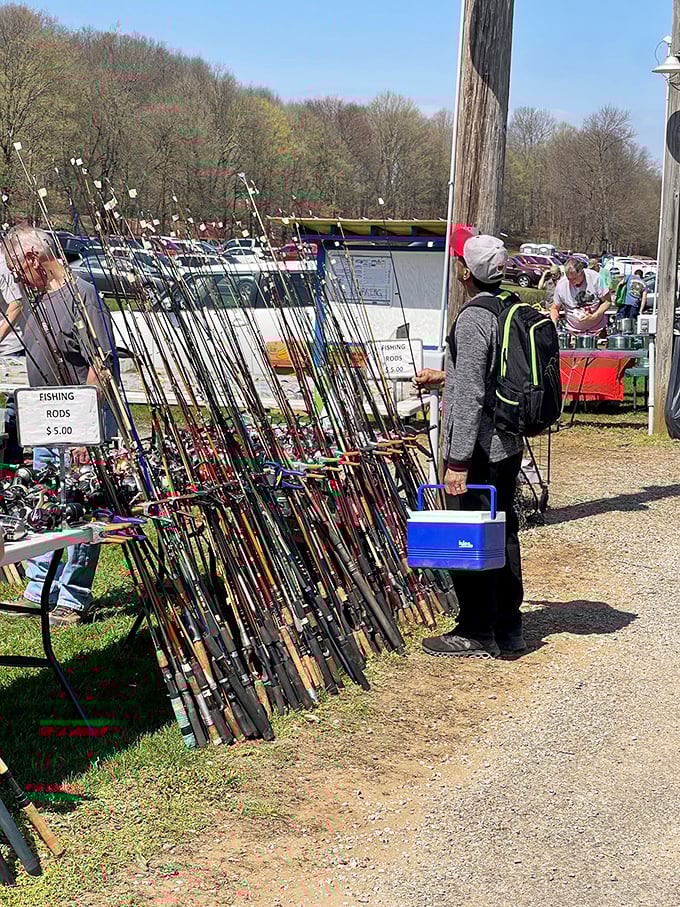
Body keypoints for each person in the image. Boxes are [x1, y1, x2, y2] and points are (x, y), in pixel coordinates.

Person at [413, 234, 525, 658]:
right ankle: (508, 625)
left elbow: (473, 393)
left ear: (466, 272)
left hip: (481, 448)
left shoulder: (474, 317)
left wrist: (457, 460)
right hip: (508, 443)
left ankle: (477, 630)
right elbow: (485, 375)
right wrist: (445, 377)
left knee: (470, 535)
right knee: (503, 530)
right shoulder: (508, 307)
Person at [1, 225, 118, 627]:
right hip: (45, 425)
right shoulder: (36, 301)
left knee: (79, 509)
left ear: (33, 258)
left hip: (78, 423)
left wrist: (85, 428)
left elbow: (101, 365)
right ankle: (40, 588)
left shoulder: (83, 295)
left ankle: (72, 596)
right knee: (43, 504)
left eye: (16, 268)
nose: (15, 277)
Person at [0, 247, 27, 467]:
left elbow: (16, 304)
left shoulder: (3, 266)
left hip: (11, 347)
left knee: (13, 405)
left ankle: (12, 460)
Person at [550, 257, 612, 334]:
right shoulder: (561, 284)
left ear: (582, 273)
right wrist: (554, 325)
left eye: (574, 278)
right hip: (573, 331)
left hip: (598, 329)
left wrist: (594, 316)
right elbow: (554, 308)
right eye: (569, 279)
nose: (571, 282)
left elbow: (607, 302)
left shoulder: (597, 278)